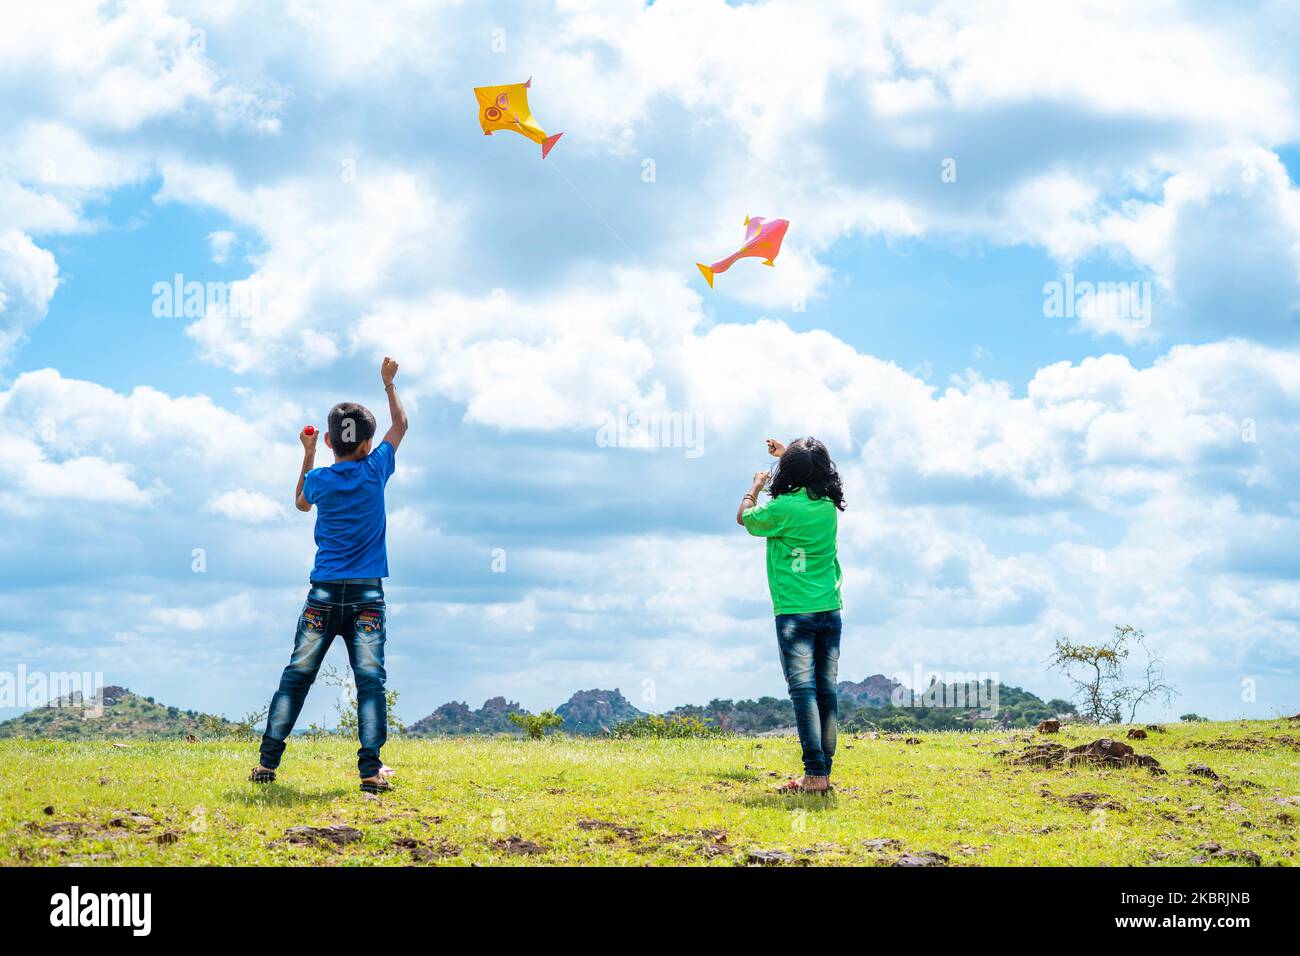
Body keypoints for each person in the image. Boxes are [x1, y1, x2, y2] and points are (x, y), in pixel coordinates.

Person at [250, 357, 408, 793]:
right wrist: (388, 384)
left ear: (332, 441)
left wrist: (306, 454)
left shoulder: (320, 478)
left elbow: (301, 501)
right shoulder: (376, 470)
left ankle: (266, 764)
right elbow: (402, 424)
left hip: (322, 594)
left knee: (297, 675)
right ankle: (370, 772)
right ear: (366, 444)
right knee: (371, 681)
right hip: (366, 596)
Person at [737, 437, 845, 794]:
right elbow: (811, 482)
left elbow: (745, 519)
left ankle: (814, 776)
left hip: (795, 613)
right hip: (829, 608)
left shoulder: (782, 508)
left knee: (803, 691)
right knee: (826, 691)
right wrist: (791, 458)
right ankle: (823, 771)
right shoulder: (828, 504)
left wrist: (756, 485)